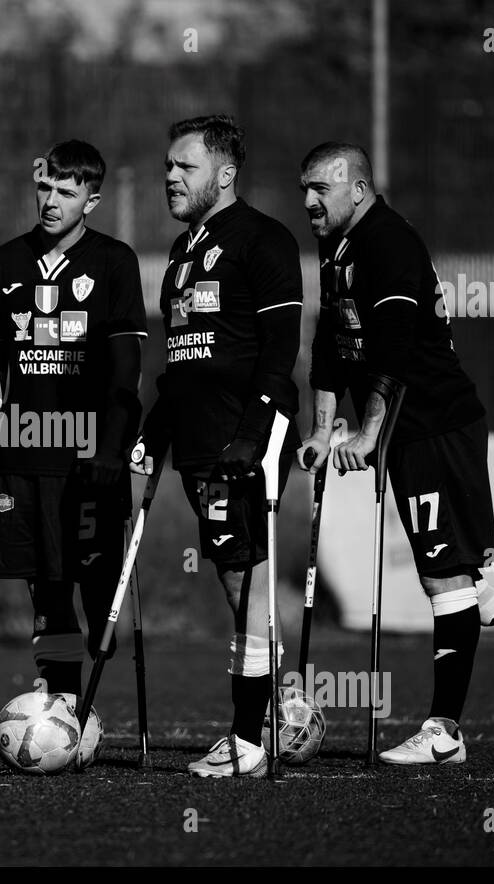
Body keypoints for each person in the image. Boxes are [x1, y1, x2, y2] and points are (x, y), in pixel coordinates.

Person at [295, 141, 494, 766]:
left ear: (357, 190)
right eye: (304, 188)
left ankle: (445, 732)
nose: (308, 201)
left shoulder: (387, 242)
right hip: (411, 430)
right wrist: (322, 428)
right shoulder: (338, 250)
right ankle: (479, 576)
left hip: (436, 424)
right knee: (446, 563)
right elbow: (332, 348)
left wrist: (367, 435)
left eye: (320, 189)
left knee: (441, 576)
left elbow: (393, 351)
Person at [134, 115, 303, 777]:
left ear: (225, 174)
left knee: (249, 577)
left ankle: (247, 743)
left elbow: (280, 351)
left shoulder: (264, 240)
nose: (170, 178)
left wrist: (251, 436)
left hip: (245, 435)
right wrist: (155, 429)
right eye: (168, 168)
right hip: (198, 437)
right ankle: (282, 709)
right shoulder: (180, 252)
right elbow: (180, 359)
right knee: (236, 580)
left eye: (186, 168)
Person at [0, 140, 146, 701]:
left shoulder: (114, 262)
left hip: (89, 461)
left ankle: (89, 697)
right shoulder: (3, 263)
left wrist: (115, 449)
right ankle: (63, 704)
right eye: (45, 188)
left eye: (67, 192)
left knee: (95, 590)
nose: (51, 201)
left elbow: (125, 370)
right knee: (46, 597)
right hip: (23, 452)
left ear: (93, 199)